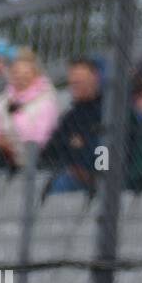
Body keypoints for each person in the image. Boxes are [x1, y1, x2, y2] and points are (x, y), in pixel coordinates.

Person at [0, 48, 60, 171]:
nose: (20, 78)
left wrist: (11, 142)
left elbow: (41, 138)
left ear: (35, 74)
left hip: (32, 159)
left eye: (26, 74)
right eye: (16, 73)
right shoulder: (1, 101)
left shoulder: (46, 102)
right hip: (3, 156)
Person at [41, 57, 104, 195]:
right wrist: (73, 143)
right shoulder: (72, 115)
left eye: (81, 81)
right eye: (73, 82)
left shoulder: (107, 112)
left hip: (92, 180)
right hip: (67, 171)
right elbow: (50, 149)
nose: (76, 86)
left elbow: (103, 153)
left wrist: (80, 146)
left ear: (95, 78)